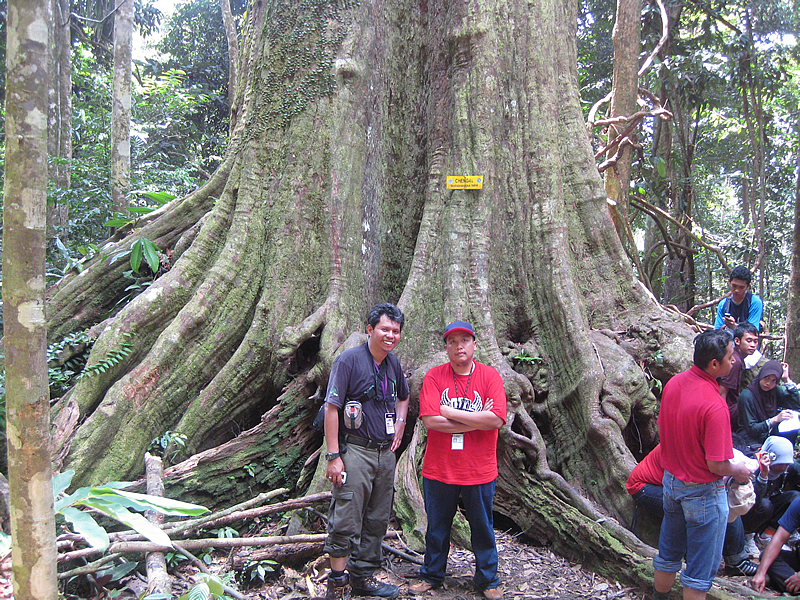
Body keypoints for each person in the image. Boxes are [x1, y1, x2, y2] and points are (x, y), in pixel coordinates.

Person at [652, 328, 752, 600]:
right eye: (731, 357)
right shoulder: (714, 405)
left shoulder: (674, 383)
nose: (734, 362)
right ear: (714, 364)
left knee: (668, 555)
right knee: (698, 572)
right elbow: (717, 465)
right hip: (703, 492)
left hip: (672, 482)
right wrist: (740, 471)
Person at [409, 321, 507, 600]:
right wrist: (478, 421)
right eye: (453, 341)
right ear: (446, 348)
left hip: (479, 470)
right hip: (439, 469)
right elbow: (430, 421)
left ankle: (488, 580)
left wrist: (449, 411)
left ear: (475, 345)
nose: (459, 346)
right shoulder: (434, 377)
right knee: (437, 528)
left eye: (465, 340)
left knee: (483, 528)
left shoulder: (490, 377)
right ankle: (431, 575)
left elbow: (496, 419)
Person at [323, 303, 410, 600]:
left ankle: (363, 577)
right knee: (346, 515)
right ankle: (337, 582)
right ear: (370, 330)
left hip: (384, 454)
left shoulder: (393, 364)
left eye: (395, 331)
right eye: (384, 329)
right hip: (355, 451)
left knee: (376, 517)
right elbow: (331, 408)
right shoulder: (348, 361)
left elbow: (403, 397)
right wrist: (333, 456)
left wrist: (400, 423)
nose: (390, 335)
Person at [626, 444, 759, 576]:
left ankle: (737, 561)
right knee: (701, 508)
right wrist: (734, 471)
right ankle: (693, 564)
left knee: (723, 505)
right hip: (646, 487)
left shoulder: (707, 450)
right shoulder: (688, 449)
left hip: (671, 485)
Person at [742, 436, 800, 539]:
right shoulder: (752, 466)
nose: (782, 468)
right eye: (780, 464)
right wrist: (764, 475)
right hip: (751, 510)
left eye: (786, 464)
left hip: (770, 507)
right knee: (765, 505)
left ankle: (767, 536)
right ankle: (747, 536)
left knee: (795, 497)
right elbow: (754, 499)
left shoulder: (789, 468)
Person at [737, 360, 800, 451]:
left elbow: (795, 405)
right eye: (766, 378)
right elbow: (752, 429)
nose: (768, 383)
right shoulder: (747, 396)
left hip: (767, 435)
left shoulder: (774, 391)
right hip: (749, 440)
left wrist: (787, 380)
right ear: (761, 375)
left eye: (773, 381)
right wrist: (775, 420)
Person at [749, 495, 800, 594]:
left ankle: (786, 584)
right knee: (768, 557)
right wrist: (760, 573)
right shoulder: (798, 504)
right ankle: (792, 584)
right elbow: (779, 539)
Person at [718, 322, 760, 431]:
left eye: (755, 341)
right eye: (748, 340)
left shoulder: (739, 359)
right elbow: (722, 391)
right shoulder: (735, 362)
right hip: (729, 412)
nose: (753, 345)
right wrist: (722, 420)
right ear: (737, 341)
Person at [714, 265, 763, 332]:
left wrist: (734, 326)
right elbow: (717, 331)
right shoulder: (723, 304)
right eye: (734, 286)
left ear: (747, 286)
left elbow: (753, 333)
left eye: (741, 287)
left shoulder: (754, 302)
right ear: (729, 282)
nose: (737, 290)